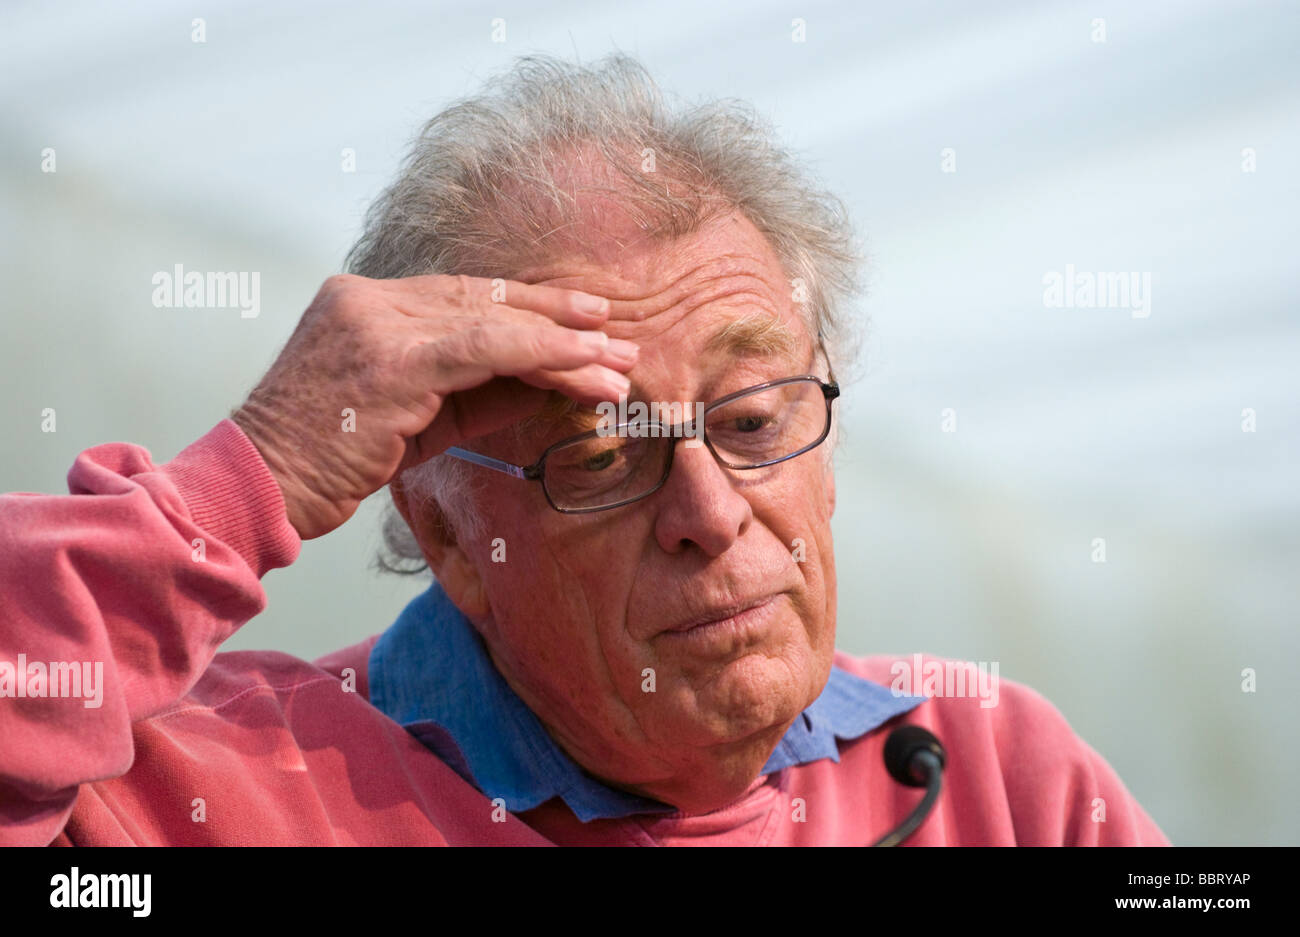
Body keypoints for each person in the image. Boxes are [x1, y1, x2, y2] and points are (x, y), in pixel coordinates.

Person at [0, 53, 1168, 846]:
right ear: (449, 529)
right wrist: (249, 475)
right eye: (604, 456)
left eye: (755, 421)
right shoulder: (212, 787)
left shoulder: (993, 772)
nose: (710, 511)